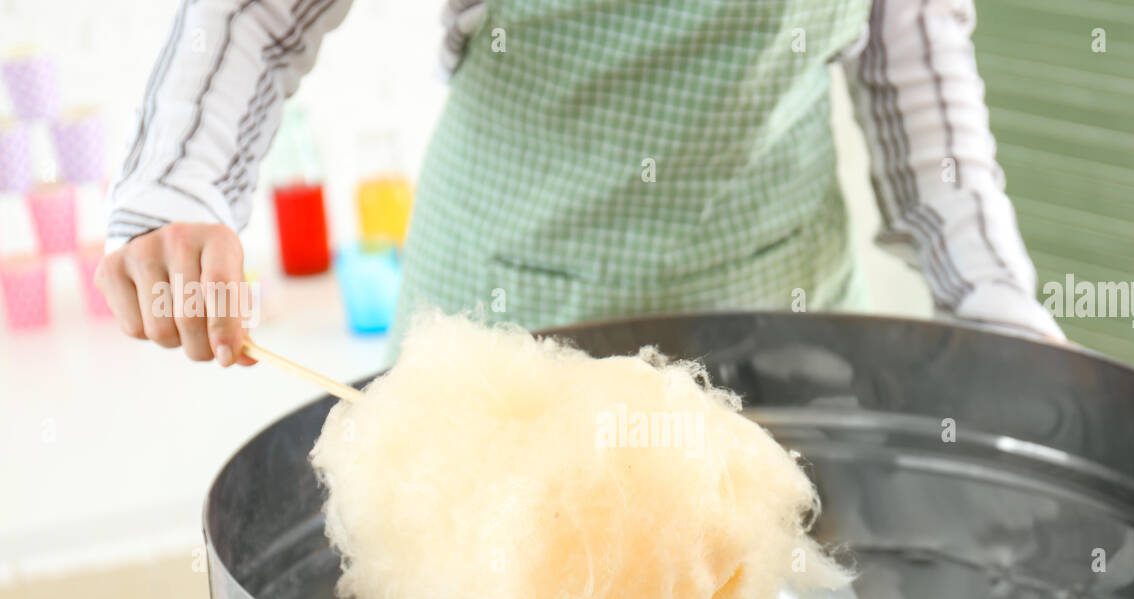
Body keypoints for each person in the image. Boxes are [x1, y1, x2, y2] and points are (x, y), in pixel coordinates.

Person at [95, 0, 1063, 368]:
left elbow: (916, 65)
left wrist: (999, 310)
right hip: (501, 344)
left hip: (783, 346)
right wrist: (179, 190)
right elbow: (264, 15)